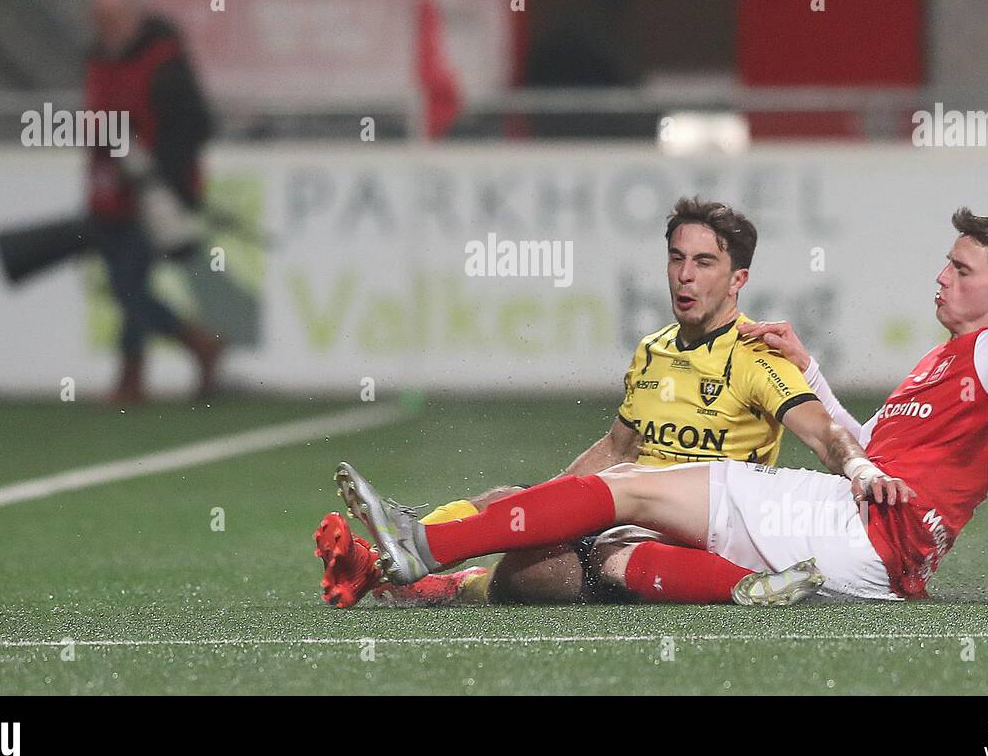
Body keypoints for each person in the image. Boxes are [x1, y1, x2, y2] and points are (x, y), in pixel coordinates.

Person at [327, 211, 988, 605]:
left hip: (861, 533)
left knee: (623, 497)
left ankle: (421, 550)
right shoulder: (945, 360)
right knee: (612, 504)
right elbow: (868, 445)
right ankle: (423, 554)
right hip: (865, 537)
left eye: (962, 269)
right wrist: (814, 369)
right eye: (947, 262)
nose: (943, 277)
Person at [315, 197, 878, 608]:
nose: (684, 277)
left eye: (704, 263)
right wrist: (543, 509)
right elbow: (618, 448)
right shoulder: (654, 350)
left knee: (541, 574)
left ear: (738, 280)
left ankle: (436, 580)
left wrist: (860, 469)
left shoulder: (757, 355)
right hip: (621, 515)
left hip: (691, 535)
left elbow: (823, 431)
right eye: (676, 258)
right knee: (509, 504)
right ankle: (384, 558)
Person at [85, 0, 221, 402]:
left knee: (130, 283)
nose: (105, 28)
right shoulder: (96, 59)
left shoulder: (164, 61)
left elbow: (195, 124)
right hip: (109, 191)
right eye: (100, 20)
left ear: (133, 19)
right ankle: (196, 344)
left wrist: (157, 171)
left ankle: (136, 374)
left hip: (152, 194)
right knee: (124, 284)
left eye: (113, 19)